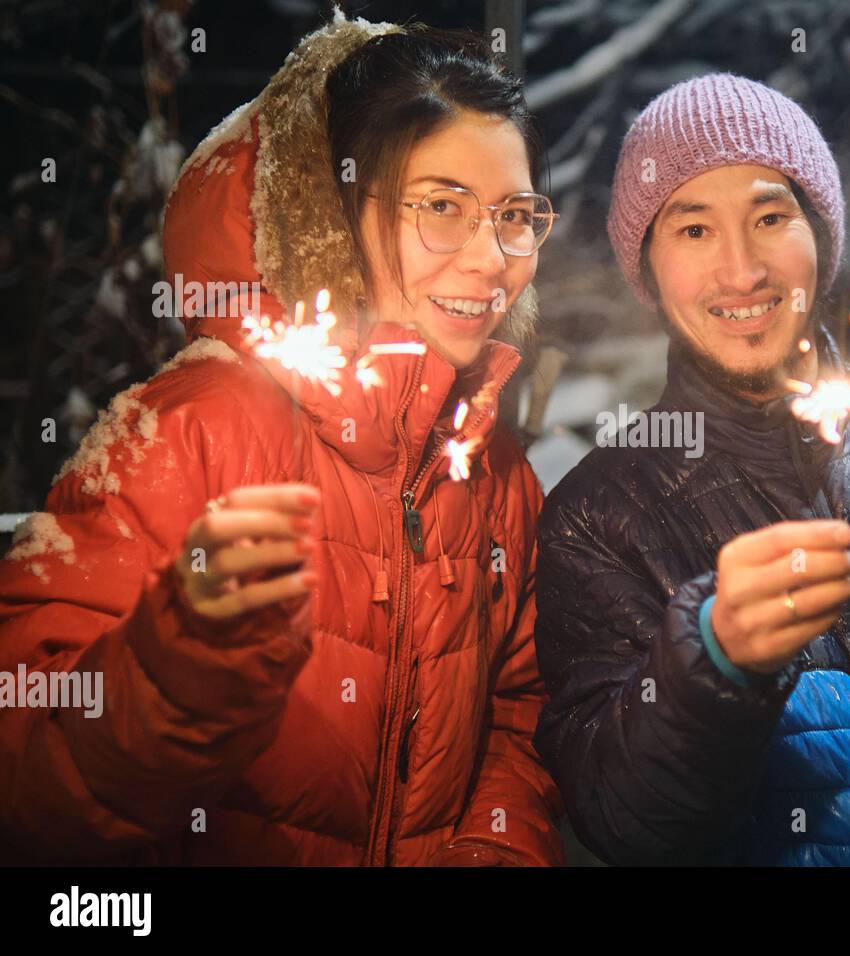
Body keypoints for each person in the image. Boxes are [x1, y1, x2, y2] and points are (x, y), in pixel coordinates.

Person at [0, 12, 563, 866]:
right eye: (443, 207)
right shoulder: (190, 429)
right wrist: (176, 671)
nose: (493, 257)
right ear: (327, 218)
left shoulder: (495, 469)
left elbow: (513, 717)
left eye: (514, 214)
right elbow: (26, 759)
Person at [533, 73, 850, 866]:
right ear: (649, 268)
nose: (742, 272)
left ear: (821, 234)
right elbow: (626, 823)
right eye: (693, 231)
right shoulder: (597, 518)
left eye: (771, 216)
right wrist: (712, 667)